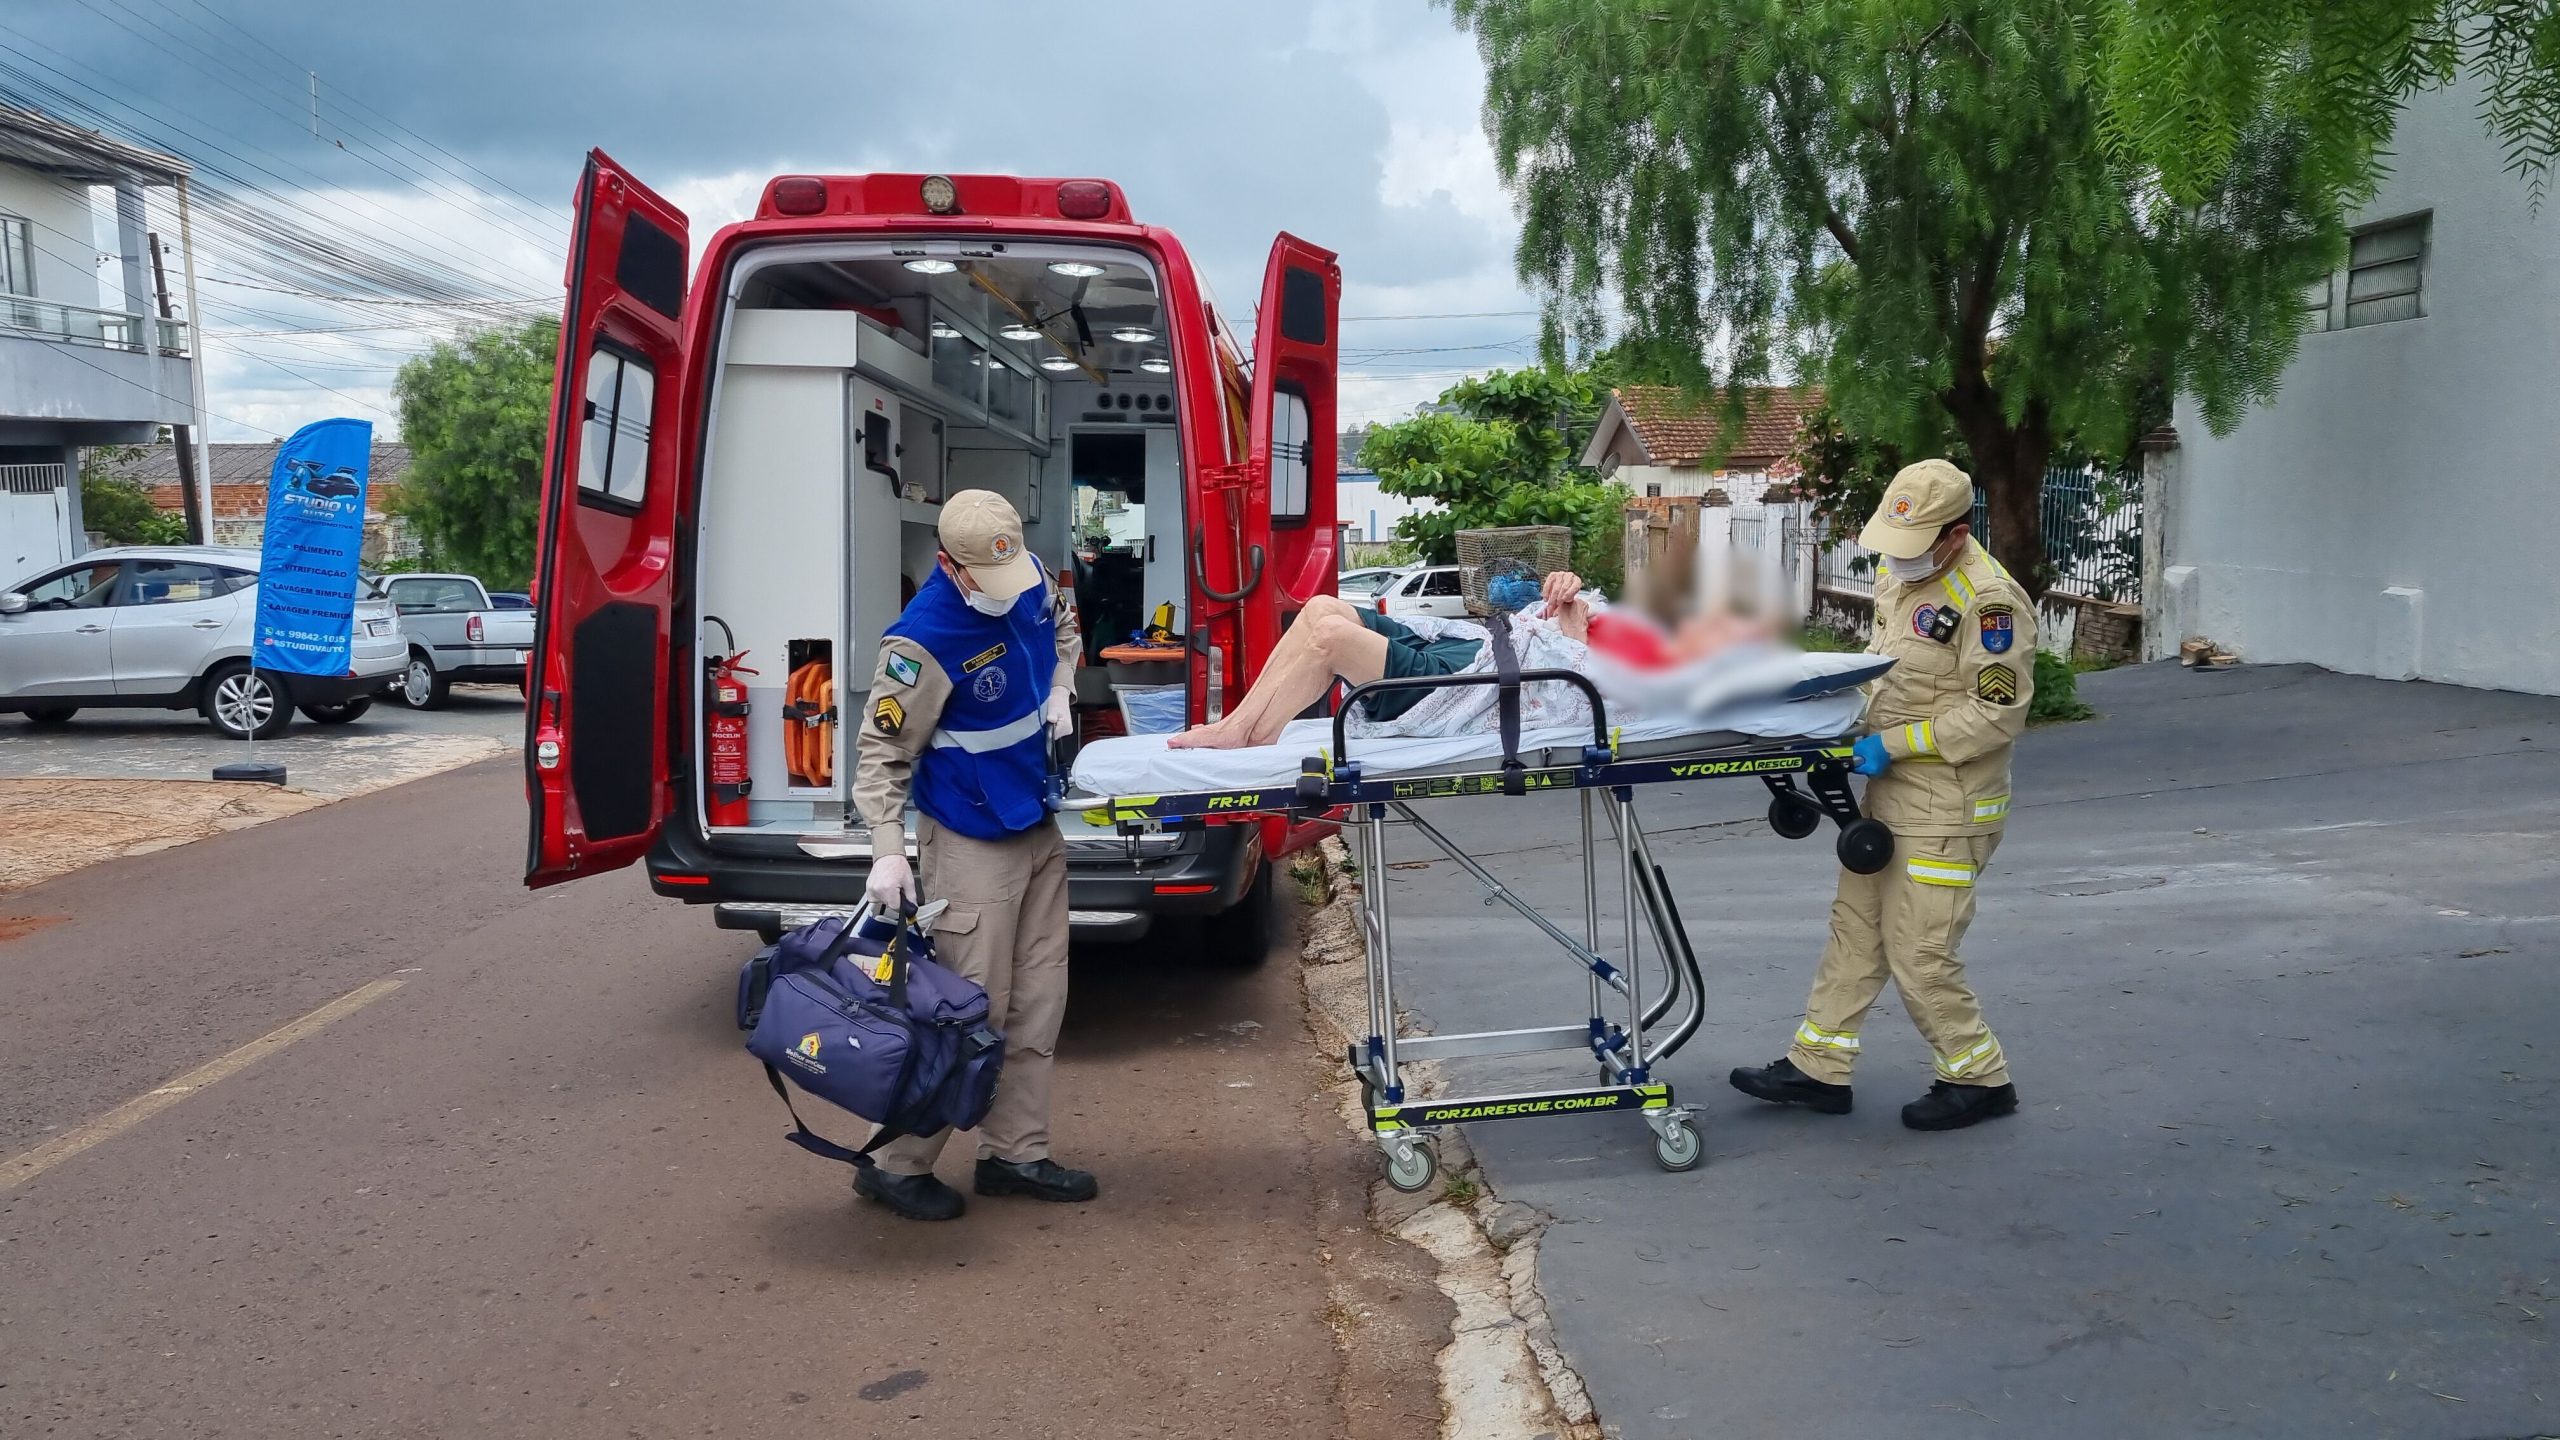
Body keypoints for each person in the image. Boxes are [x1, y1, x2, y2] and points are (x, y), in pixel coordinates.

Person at [1729, 459, 2036, 1131]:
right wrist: (1830, 718)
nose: (1898, 560)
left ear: (1955, 535)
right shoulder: (1906, 582)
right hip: (1893, 793)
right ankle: (1819, 1068)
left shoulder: (1990, 603)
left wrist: (1891, 746)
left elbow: (1996, 717)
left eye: (1916, 546)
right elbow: (1891, 679)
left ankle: (1979, 1078)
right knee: (1857, 930)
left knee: (1919, 950)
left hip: (1951, 804)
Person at [848, 489, 1097, 1221]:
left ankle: (1015, 1153)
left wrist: (1061, 684)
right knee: (965, 1010)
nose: (1003, 589)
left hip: (1034, 820)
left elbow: (1064, 625)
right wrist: (888, 851)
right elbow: (882, 753)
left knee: (1038, 1000)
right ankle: (893, 1162)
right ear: (950, 566)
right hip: (968, 838)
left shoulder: (1022, 580)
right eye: (984, 579)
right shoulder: (921, 641)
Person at [1166, 570, 1771, 750]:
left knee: (1331, 640)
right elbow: (1551, 618)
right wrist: (1562, 591)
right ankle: (1243, 726)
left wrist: (1569, 631)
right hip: (1473, 646)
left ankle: (1245, 732)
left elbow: (1571, 695)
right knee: (1323, 605)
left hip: (1468, 685)